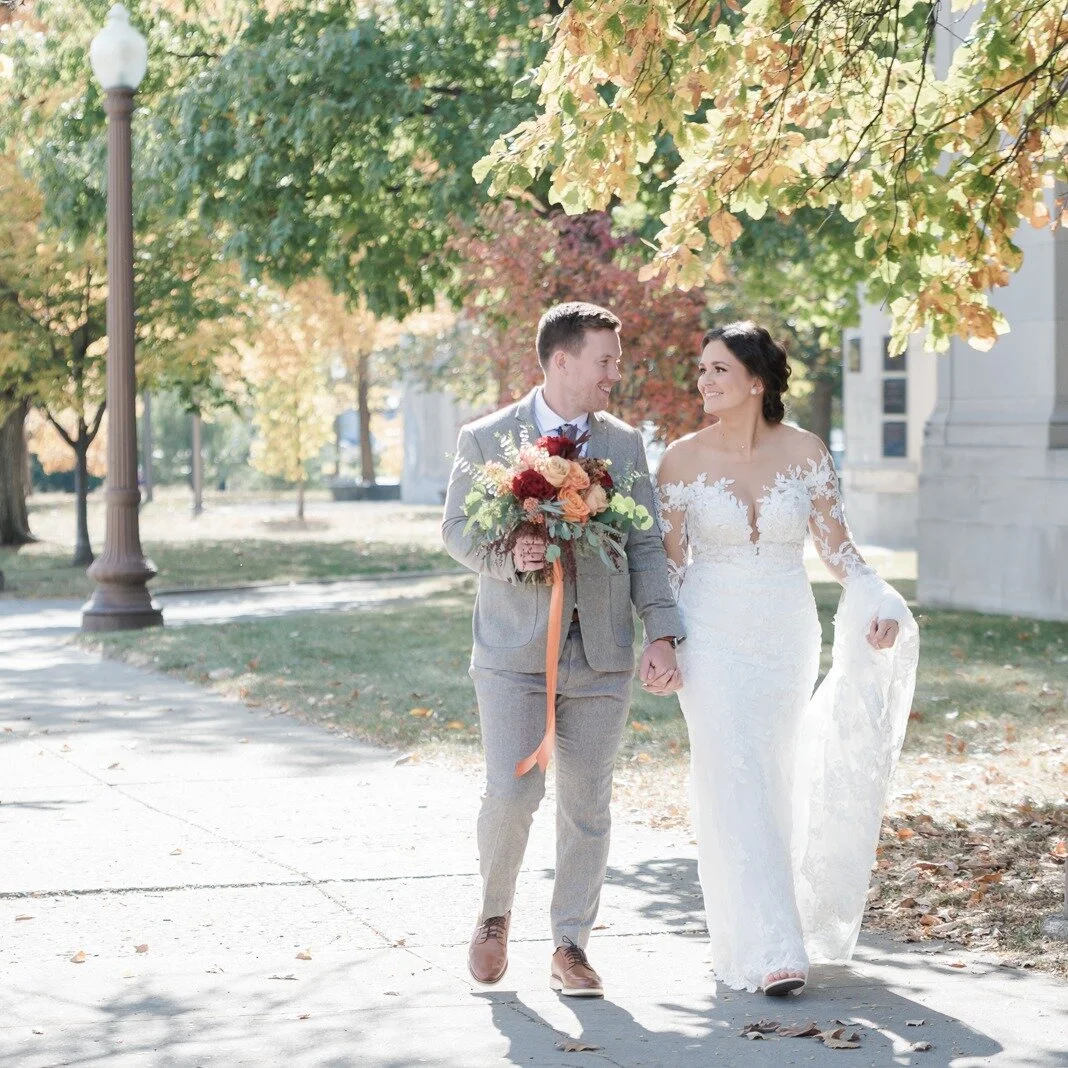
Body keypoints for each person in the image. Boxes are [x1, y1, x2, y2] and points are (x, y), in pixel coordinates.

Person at [655, 321, 919, 997]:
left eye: (718, 370)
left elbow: (838, 549)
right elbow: (668, 565)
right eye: (702, 368)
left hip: (785, 632)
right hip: (708, 630)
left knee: (769, 771)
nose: (704, 381)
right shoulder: (680, 460)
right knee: (733, 768)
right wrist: (662, 641)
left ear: (756, 380)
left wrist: (876, 600)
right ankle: (776, 945)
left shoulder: (803, 451)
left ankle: (757, 928)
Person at [442, 301, 685, 997]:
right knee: (512, 794)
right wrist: (508, 555)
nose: (616, 372)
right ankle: (493, 917)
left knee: (588, 804)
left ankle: (570, 944)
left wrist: (661, 633)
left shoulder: (625, 444)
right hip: (514, 651)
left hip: (603, 652)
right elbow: (456, 530)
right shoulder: (486, 437)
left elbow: (645, 547)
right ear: (561, 361)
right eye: (605, 359)